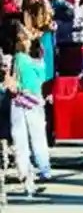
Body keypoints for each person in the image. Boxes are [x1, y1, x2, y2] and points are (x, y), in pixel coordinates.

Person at [7, 29, 52, 197]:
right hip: (34, 100)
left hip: (19, 100)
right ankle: (44, 167)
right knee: (38, 134)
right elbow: (41, 79)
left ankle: (25, 171)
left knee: (20, 139)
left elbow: (15, 81)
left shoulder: (17, 60)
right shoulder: (37, 63)